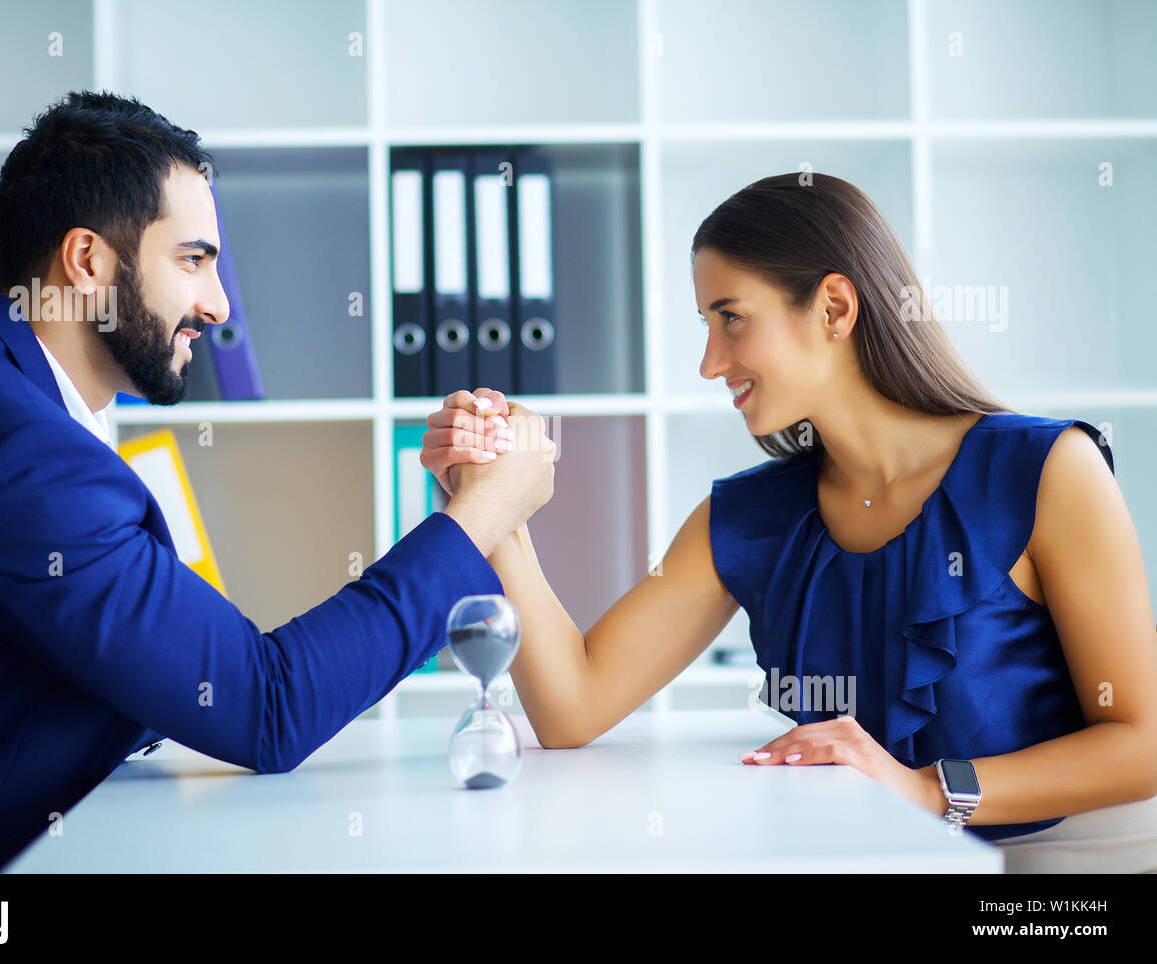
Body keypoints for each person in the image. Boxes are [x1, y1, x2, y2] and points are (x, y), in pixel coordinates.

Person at [0, 91, 556, 873]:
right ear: (87, 261)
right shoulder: (24, 456)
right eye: (192, 260)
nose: (218, 307)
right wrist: (485, 511)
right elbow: (269, 706)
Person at [423, 173, 1157, 873]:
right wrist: (495, 509)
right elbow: (572, 707)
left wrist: (929, 790)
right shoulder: (749, 518)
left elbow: (1142, 743)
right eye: (707, 326)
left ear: (835, 309)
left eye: (732, 319)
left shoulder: (1048, 469)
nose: (711, 363)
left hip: (1070, 863)